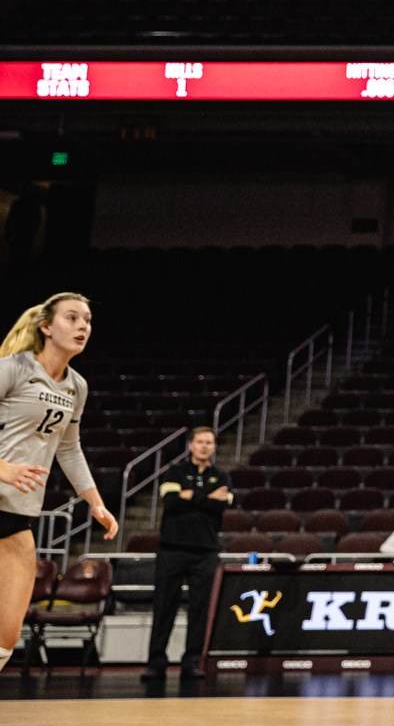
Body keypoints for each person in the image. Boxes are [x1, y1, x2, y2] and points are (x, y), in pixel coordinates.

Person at [0, 292, 120, 678]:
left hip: (17, 512)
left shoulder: (77, 387)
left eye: (87, 320)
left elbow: (69, 449)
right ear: (46, 327)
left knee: (6, 633)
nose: (83, 326)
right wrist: (3, 469)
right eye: (72, 318)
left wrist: (95, 502)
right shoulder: (14, 368)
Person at [145, 424, 229, 683]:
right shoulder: (174, 471)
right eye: (201, 442)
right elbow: (170, 502)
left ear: (214, 447)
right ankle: (156, 663)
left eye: (210, 443)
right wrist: (206, 498)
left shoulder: (221, 476)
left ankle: (192, 661)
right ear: (191, 445)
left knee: (200, 610)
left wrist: (190, 495)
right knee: (164, 607)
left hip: (205, 552)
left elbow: (221, 506)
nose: (205, 446)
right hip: (172, 550)